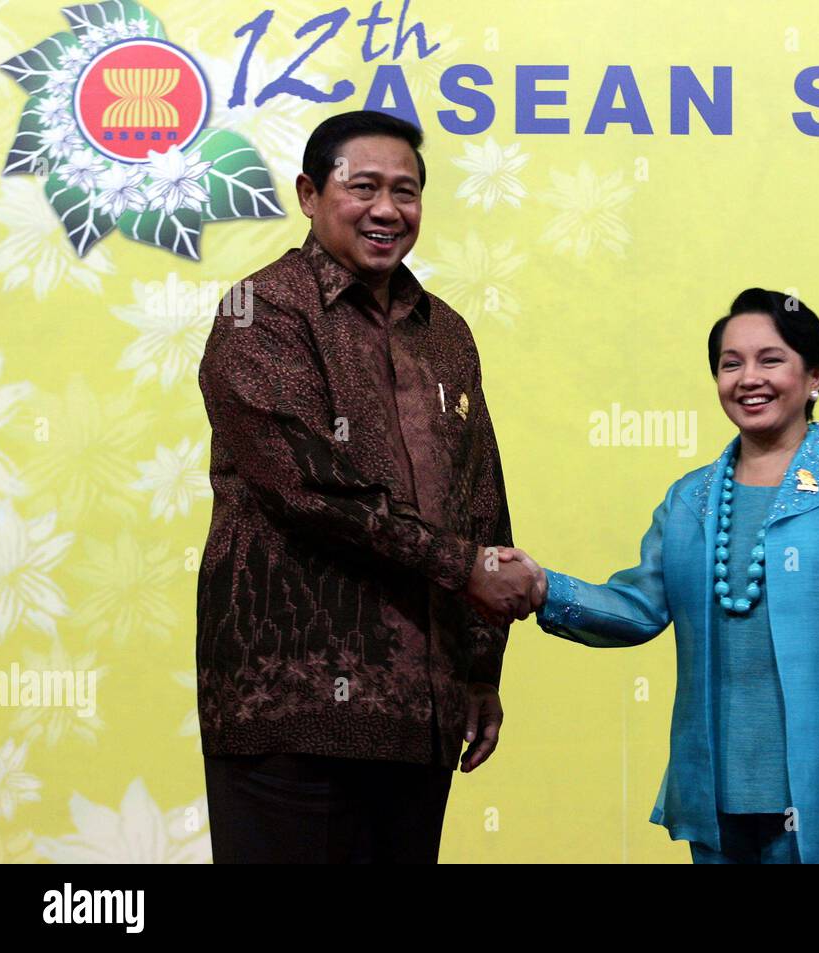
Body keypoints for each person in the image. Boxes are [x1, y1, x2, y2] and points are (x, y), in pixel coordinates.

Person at [196, 110, 540, 863]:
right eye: (364, 187)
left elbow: (482, 498)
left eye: (407, 191)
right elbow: (310, 490)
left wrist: (480, 670)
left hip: (419, 715)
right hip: (293, 708)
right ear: (309, 194)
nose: (388, 209)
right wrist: (465, 568)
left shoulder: (444, 329)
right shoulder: (262, 314)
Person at [506, 288, 819, 863]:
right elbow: (637, 608)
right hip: (715, 796)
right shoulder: (690, 500)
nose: (748, 378)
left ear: (814, 376)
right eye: (729, 364)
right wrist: (543, 587)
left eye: (770, 359)